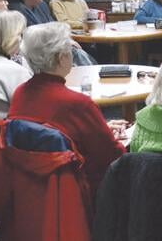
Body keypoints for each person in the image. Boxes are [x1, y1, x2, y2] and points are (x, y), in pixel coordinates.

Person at [9, 22, 126, 196]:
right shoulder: (78, 103)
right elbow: (112, 155)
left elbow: (48, 133)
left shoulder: (20, 93)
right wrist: (116, 139)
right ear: (61, 57)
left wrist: (102, 128)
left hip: (30, 184)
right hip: (78, 188)